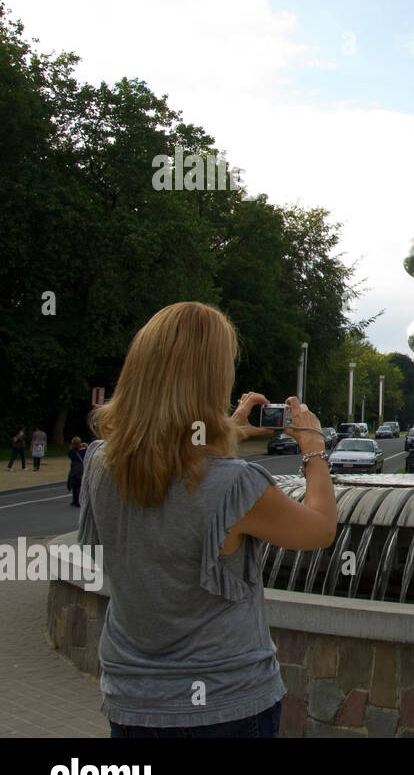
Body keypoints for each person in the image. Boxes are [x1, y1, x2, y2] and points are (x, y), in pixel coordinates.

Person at [76, 301, 338, 737]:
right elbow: (320, 529)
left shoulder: (101, 463)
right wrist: (313, 446)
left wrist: (226, 429)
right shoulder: (236, 485)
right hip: (225, 704)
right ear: (213, 377)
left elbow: (170, 460)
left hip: (132, 701)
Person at [67, 437, 88, 506]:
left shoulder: (72, 452)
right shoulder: (84, 451)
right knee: (79, 485)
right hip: (82, 470)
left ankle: (75, 500)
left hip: (74, 470)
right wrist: (84, 446)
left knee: (75, 486)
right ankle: (79, 500)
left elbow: (69, 452)